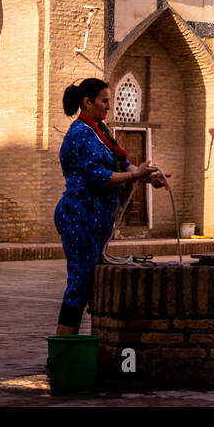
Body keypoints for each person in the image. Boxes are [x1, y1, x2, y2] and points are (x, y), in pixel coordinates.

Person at [54, 77, 166, 336]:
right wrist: (134, 175)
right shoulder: (81, 133)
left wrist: (147, 177)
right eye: (104, 101)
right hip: (79, 217)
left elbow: (122, 164)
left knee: (88, 281)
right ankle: (62, 349)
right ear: (87, 102)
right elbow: (99, 177)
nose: (108, 106)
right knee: (79, 283)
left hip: (95, 221)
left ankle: (74, 345)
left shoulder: (99, 131)